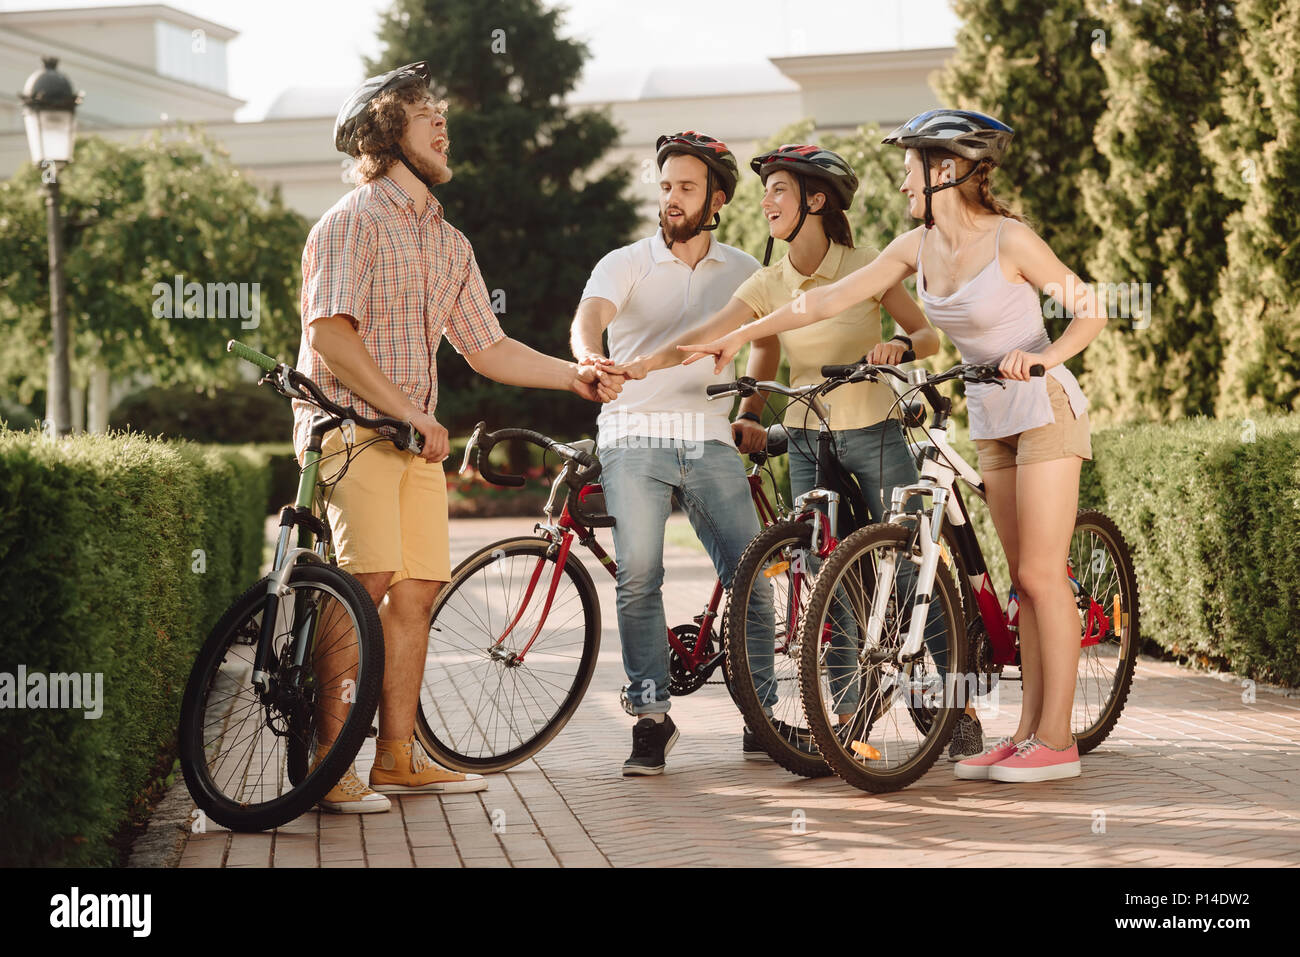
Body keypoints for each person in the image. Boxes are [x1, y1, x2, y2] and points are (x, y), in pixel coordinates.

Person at [678, 110, 1105, 783]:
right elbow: (822, 303)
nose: (902, 181)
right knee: (1021, 579)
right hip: (991, 416)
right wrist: (736, 337)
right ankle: (1024, 733)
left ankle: (1057, 740)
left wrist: (1044, 358)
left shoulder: (1011, 241)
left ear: (945, 171)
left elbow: (1090, 308)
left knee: (1044, 576)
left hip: (1042, 405)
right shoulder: (917, 247)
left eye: (910, 167)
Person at [295, 62, 620, 813]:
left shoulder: (449, 242)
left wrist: (574, 374)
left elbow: (487, 347)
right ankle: (327, 761)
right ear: (386, 134)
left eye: (443, 114)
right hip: (349, 432)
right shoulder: (352, 219)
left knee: (416, 594)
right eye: (424, 114)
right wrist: (407, 410)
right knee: (365, 583)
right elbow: (331, 337)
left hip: (415, 444)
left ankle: (398, 756)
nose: (443, 125)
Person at [612, 143, 983, 758]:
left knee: (914, 564)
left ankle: (953, 703)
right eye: (765, 192)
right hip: (809, 441)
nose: (766, 202)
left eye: (779, 190)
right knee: (828, 578)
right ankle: (846, 717)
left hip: (875, 431)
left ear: (815, 199)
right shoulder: (770, 281)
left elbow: (926, 336)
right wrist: (644, 367)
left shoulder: (866, 264)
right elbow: (710, 338)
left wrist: (897, 345)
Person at [569, 131, 786, 775]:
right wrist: (587, 355)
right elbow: (590, 317)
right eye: (665, 186)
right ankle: (651, 717)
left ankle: (761, 715)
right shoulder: (626, 260)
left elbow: (767, 344)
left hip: (710, 436)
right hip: (634, 431)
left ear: (716, 197)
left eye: (686, 188)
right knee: (640, 573)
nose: (672, 199)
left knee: (754, 575)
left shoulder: (746, 269)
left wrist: (749, 411)